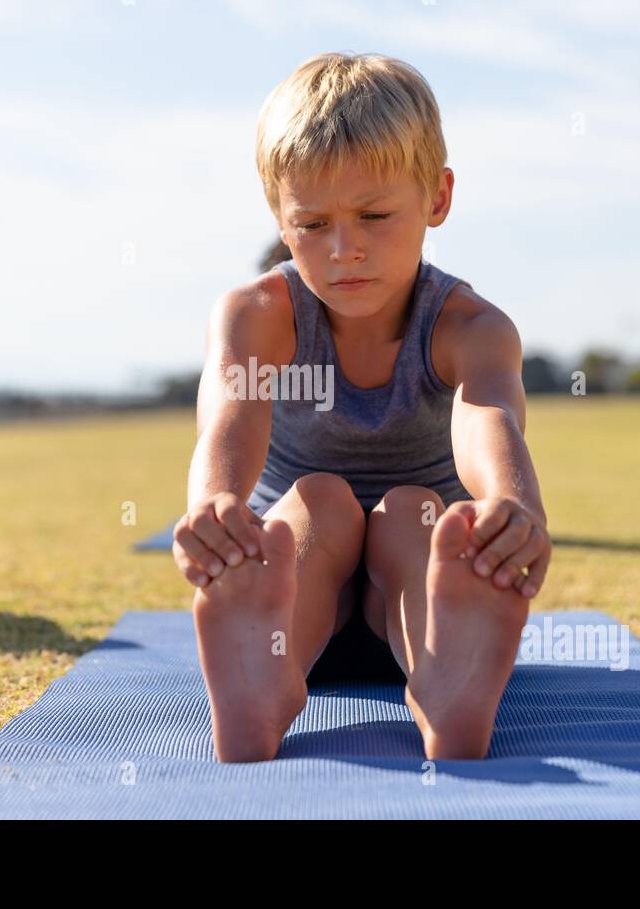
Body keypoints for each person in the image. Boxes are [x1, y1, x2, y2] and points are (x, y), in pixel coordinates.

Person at [174, 52, 550, 761]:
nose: (345, 250)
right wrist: (216, 504)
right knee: (317, 501)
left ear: (437, 198)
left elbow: (486, 412)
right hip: (288, 601)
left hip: (415, 605)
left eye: (375, 215)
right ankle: (266, 684)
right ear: (279, 220)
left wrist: (511, 503)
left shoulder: (470, 327)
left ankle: (446, 682)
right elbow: (231, 410)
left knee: (413, 512)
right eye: (313, 224)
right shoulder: (258, 315)